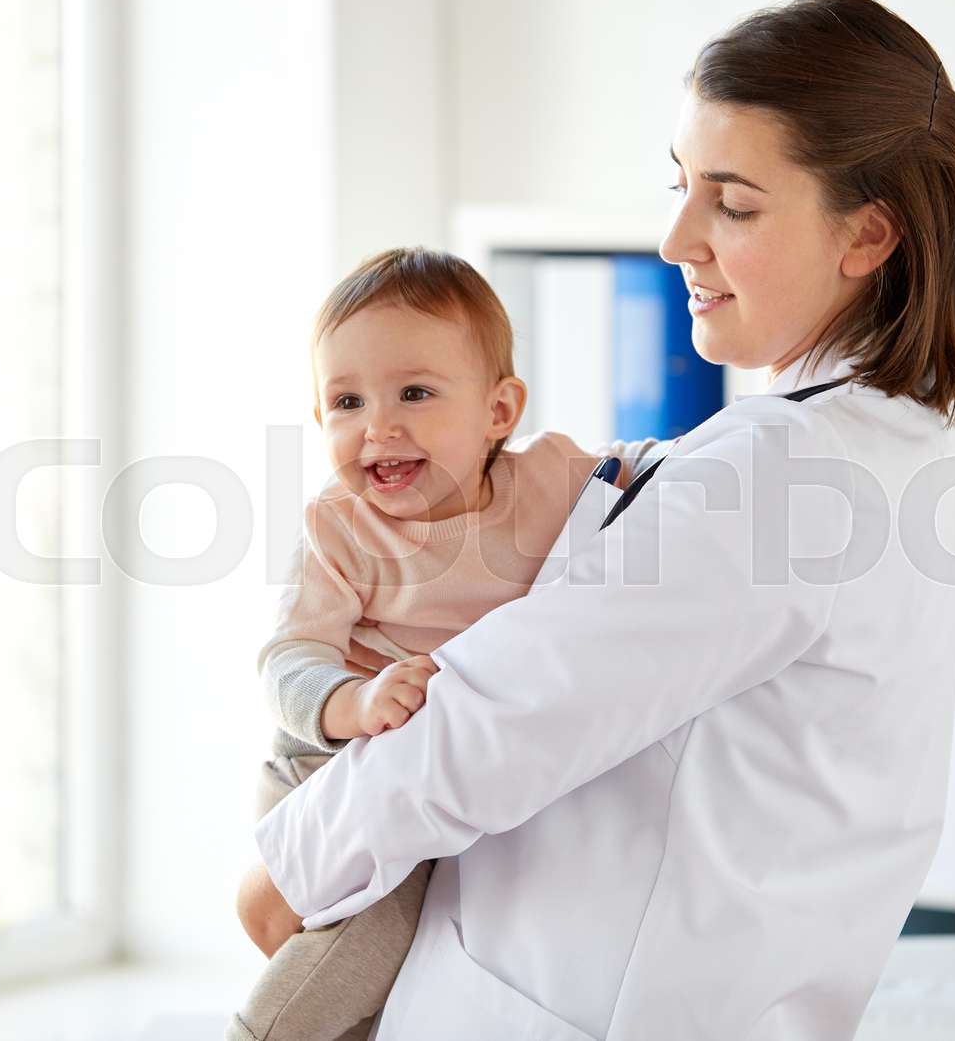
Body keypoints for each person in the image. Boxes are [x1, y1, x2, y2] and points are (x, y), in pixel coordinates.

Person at [248, 0, 955, 1040]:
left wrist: (288, 867)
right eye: (680, 187)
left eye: (731, 205)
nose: (674, 237)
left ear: (866, 234)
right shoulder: (873, 437)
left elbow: (501, 717)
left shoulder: (783, 470)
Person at [228, 247, 664, 1041]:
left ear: (499, 412)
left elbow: (651, 471)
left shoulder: (553, 478)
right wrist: (353, 701)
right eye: (346, 401)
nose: (378, 427)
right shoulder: (340, 527)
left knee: (413, 992)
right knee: (364, 949)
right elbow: (287, 663)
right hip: (333, 771)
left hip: (448, 778)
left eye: (415, 394)